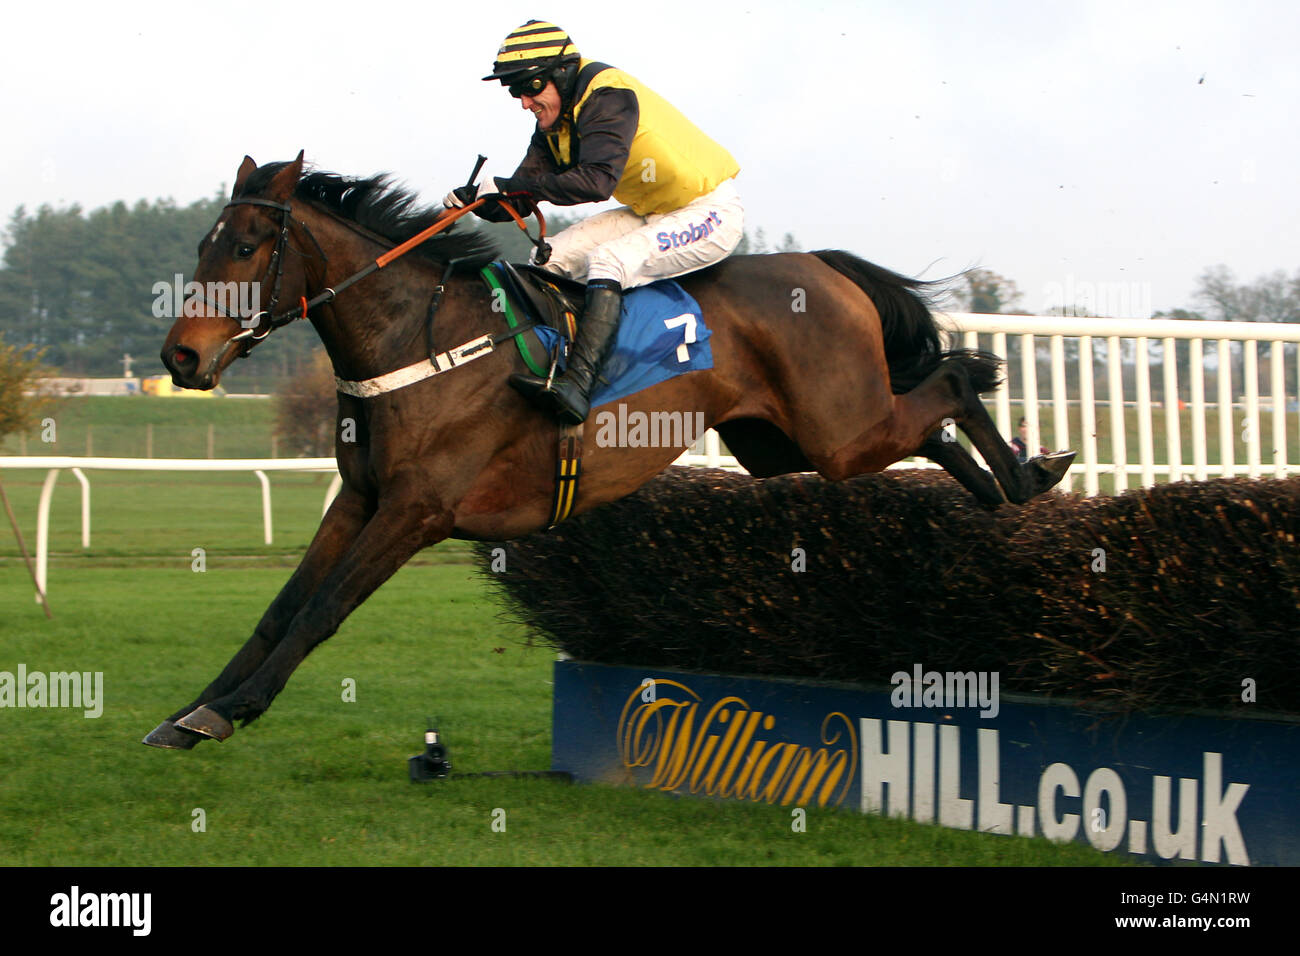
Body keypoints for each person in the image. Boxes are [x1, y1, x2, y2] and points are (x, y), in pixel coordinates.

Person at [444, 20, 744, 425]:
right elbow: (524, 192)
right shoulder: (554, 121)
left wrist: (506, 186)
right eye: (514, 91)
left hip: (708, 211)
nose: (523, 102)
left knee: (608, 261)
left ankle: (579, 386)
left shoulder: (606, 96)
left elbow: (597, 182)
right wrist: (479, 200)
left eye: (528, 87)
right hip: (649, 212)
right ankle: (543, 366)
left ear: (561, 74)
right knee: (546, 260)